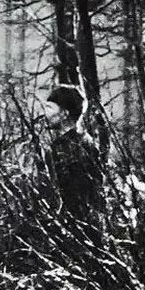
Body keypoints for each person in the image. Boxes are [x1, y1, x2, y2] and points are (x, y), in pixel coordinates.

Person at [41, 84, 105, 227]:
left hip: (74, 222)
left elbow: (65, 190)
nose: (46, 114)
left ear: (64, 113)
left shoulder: (61, 147)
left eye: (50, 108)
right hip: (90, 220)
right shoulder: (87, 141)